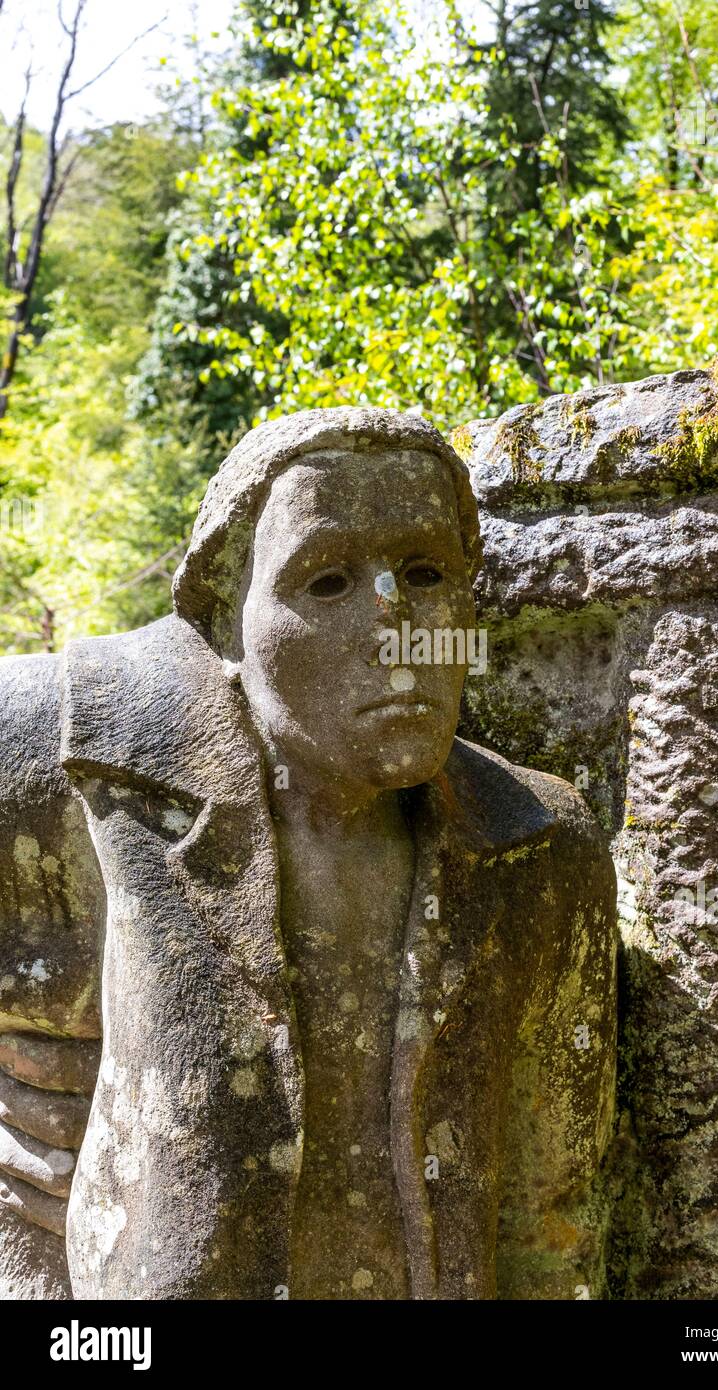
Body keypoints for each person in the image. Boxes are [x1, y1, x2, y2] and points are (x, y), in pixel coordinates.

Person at [0, 407, 616, 1300]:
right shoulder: (67, 756)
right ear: (223, 619)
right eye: (325, 581)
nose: (395, 622)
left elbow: (554, 1211)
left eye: (427, 571)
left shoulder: (540, 845)